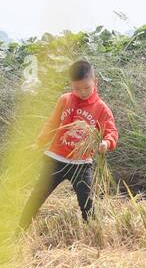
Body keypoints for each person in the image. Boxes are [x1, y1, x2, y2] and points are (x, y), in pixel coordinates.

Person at [19, 59, 119, 227]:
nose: (82, 92)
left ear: (95, 82)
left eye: (87, 87)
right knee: (36, 197)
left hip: (81, 164)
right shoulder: (64, 100)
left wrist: (106, 144)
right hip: (55, 159)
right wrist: (39, 143)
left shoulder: (101, 108)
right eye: (77, 89)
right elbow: (52, 123)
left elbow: (112, 132)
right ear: (71, 85)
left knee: (86, 203)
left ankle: (93, 235)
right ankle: (18, 231)